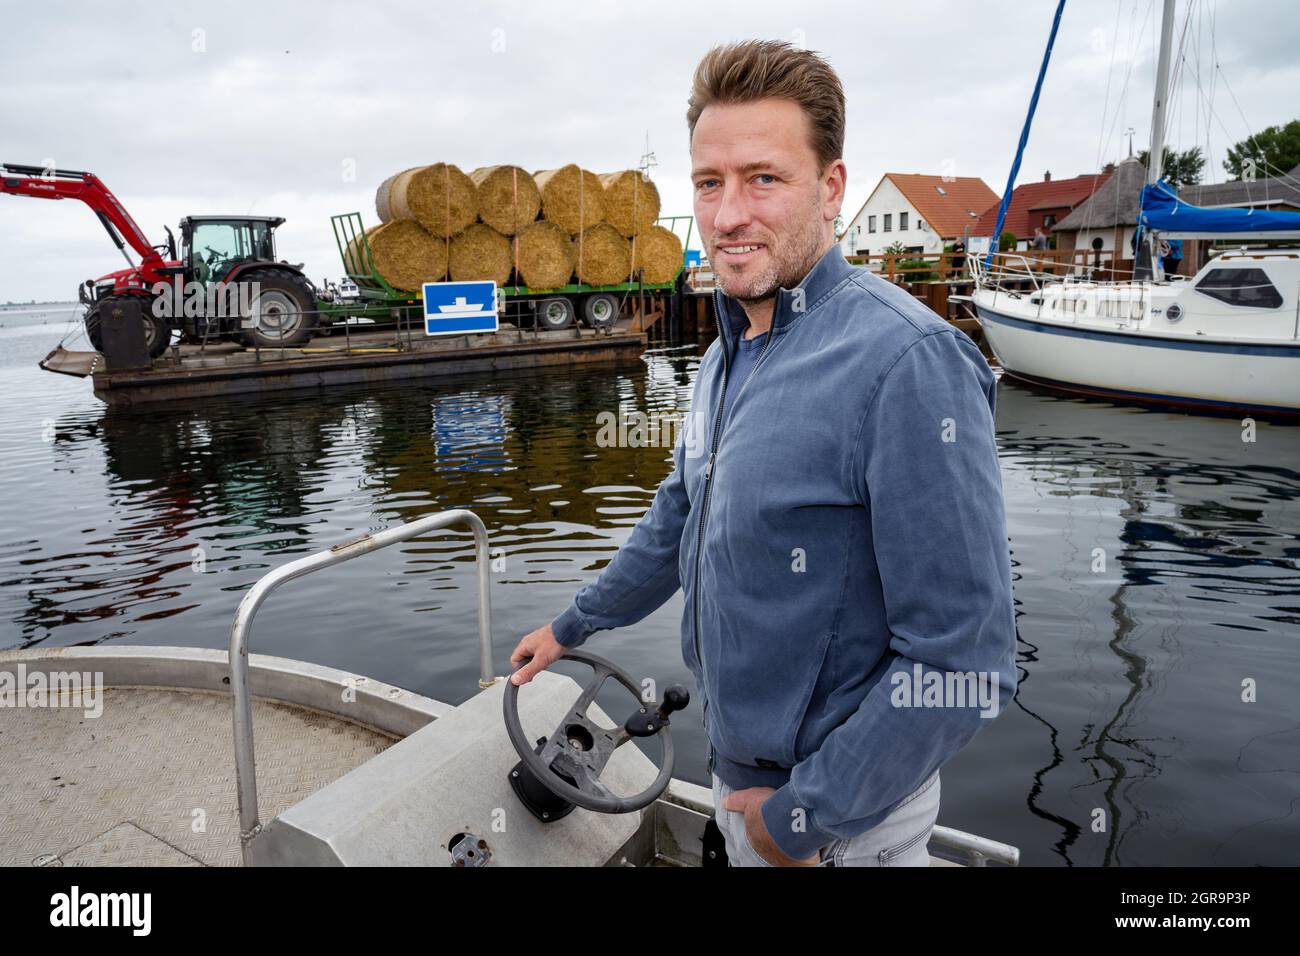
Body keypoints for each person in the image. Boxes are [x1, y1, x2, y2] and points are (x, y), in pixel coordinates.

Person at [509, 39, 1017, 867]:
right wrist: (574, 624)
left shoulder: (907, 364)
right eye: (710, 183)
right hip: (742, 784)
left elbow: (964, 662)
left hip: (839, 822)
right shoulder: (725, 356)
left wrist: (801, 821)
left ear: (833, 188)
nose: (728, 213)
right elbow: (681, 512)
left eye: (763, 179)